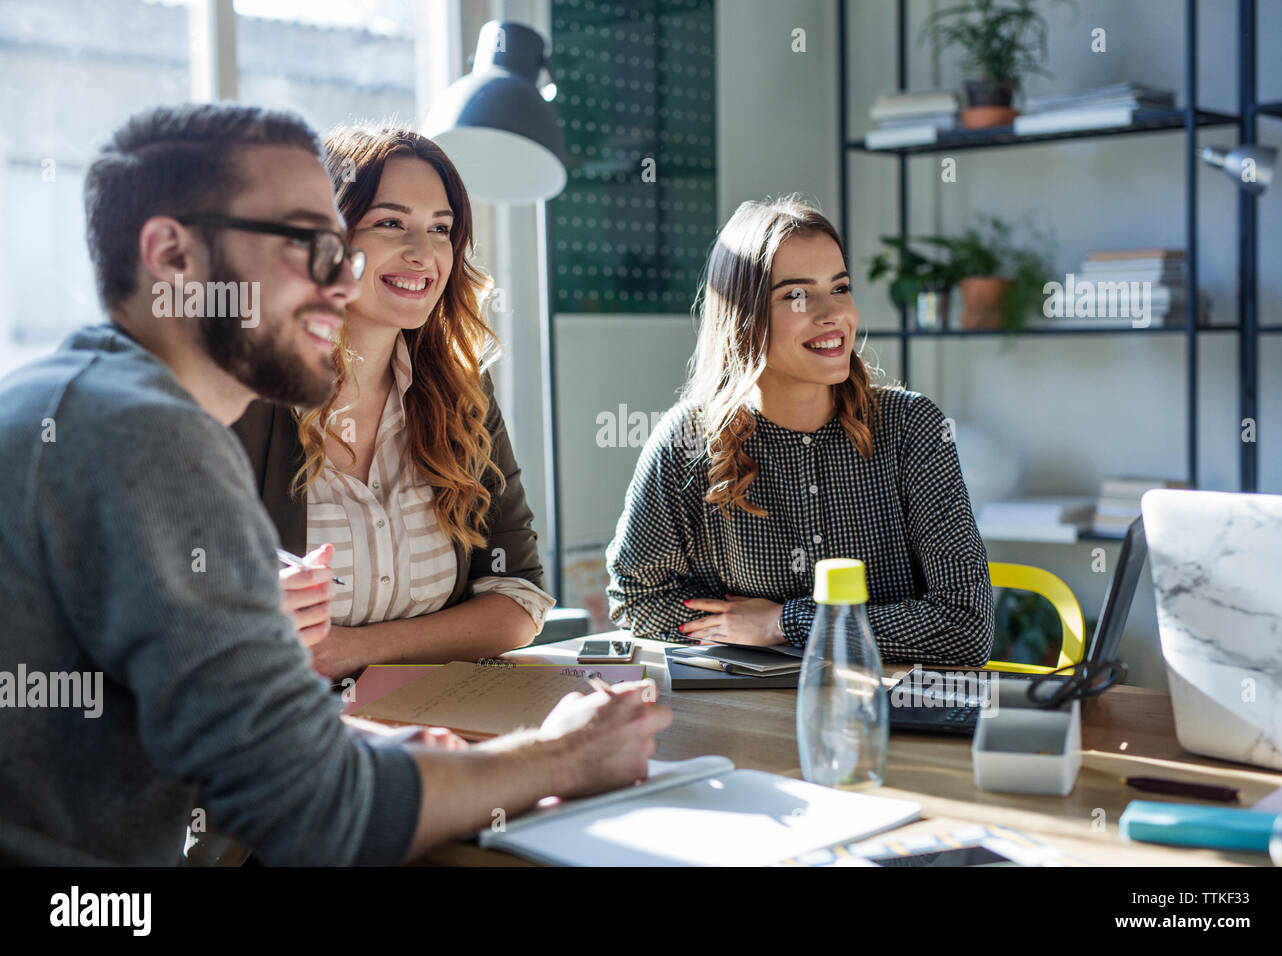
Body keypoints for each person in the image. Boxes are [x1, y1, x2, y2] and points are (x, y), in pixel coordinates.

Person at [0, 102, 668, 866]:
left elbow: (219, 728)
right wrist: (562, 758)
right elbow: (313, 809)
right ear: (173, 257)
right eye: (305, 242)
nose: (341, 275)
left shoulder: (88, 400)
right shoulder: (145, 436)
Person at [606, 197, 994, 666]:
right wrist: (738, 633)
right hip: (742, 716)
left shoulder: (912, 428)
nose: (833, 314)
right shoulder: (685, 440)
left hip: (886, 714)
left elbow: (966, 625)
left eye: (841, 287)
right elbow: (637, 601)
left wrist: (780, 625)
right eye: (796, 294)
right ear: (743, 316)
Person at [233, 126, 549, 681]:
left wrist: (357, 649)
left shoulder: (462, 394)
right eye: (390, 222)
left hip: (431, 725)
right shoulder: (244, 396)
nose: (423, 254)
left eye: (441, 229)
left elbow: (518, 596)